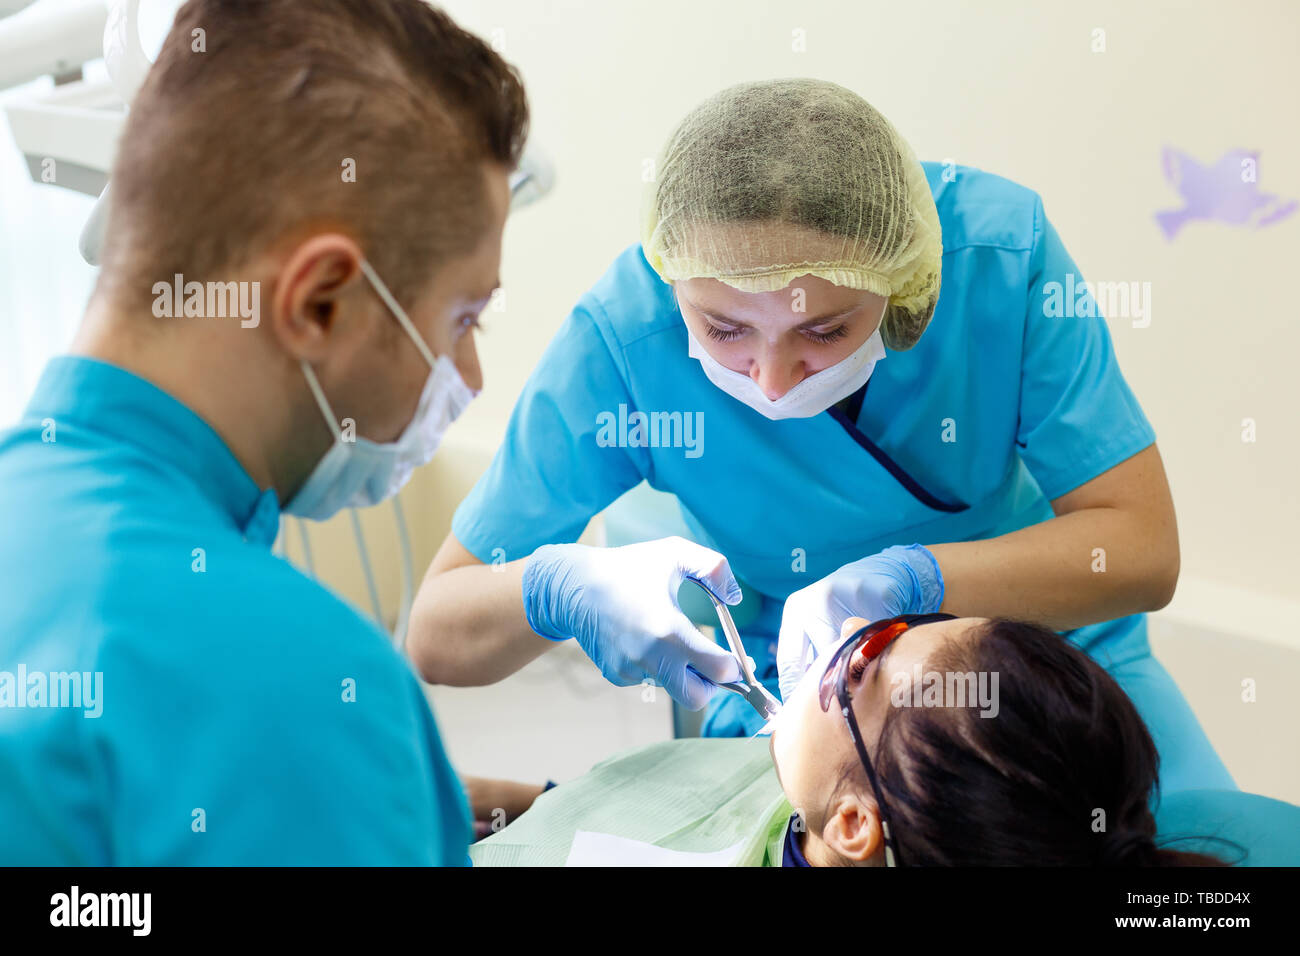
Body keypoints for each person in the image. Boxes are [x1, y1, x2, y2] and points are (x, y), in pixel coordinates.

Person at [409, 78, 1233, 794]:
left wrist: (918, 580)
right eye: (724, 329)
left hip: (1040, 639)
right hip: (803, 683)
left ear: (907, 287)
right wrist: (560, 588)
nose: (772, 381)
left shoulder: (997, 261)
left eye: (826, 332)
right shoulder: (625, 337)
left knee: (1182, 847)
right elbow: (438, 630)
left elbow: (1139, 551)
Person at [0, 0, 527, 864]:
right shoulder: (301, 686)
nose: (469, 376)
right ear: (320, 300)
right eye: (465, 316)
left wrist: (396, 793)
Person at [469, 615, 1246, 867]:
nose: (845, 630)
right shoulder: (811, 801)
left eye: (864, 662)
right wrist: (527, 804)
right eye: (902, 624)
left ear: (852, 825)